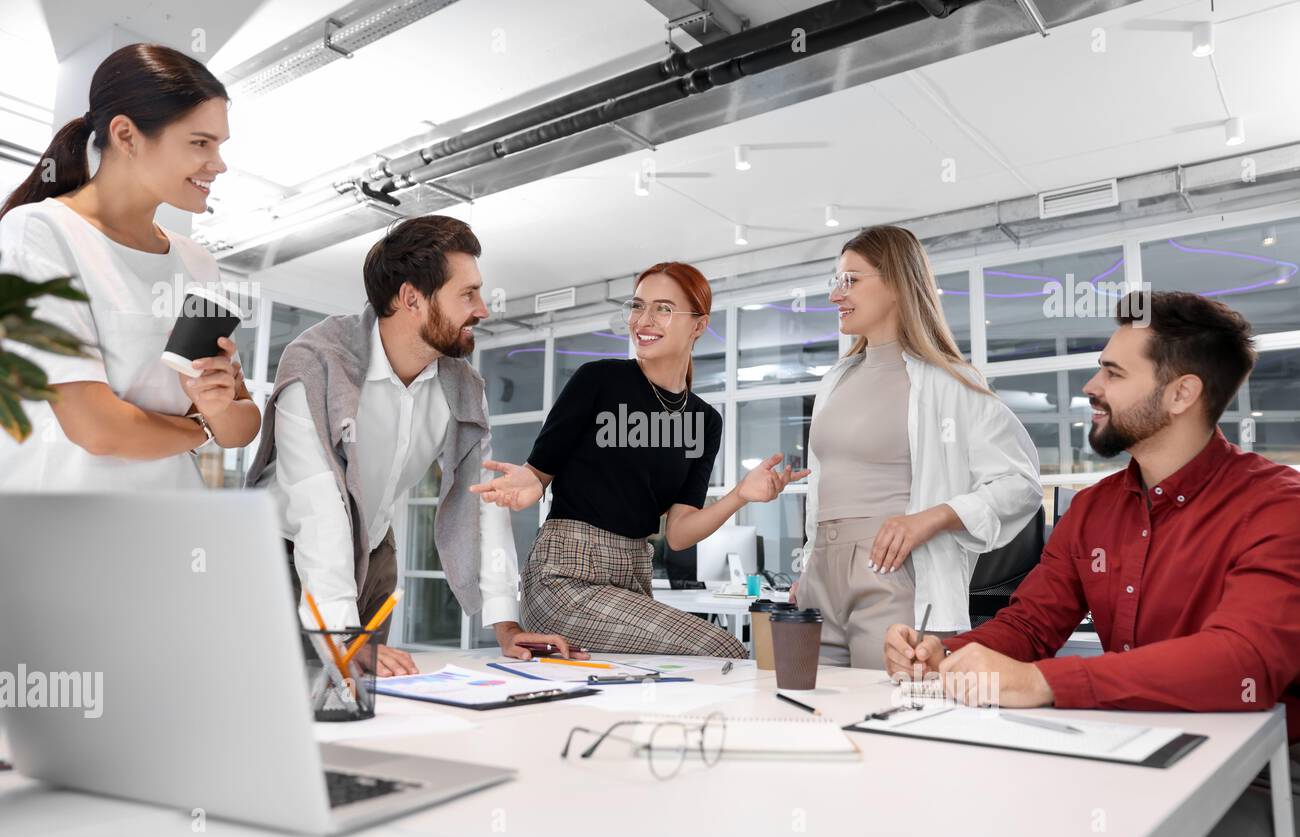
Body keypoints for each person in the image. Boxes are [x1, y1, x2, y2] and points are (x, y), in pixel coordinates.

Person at [884, 290, 1300, 837]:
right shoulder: (1093, 509)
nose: (1090, 387)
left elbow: (1242, 664)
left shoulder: (1278, 506)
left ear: (1182, 394)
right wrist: (947, 651)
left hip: (1258, 768)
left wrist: (1046, 683)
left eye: (1112, 372)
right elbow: (1030, 625)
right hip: (1122, 749)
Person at [245, 215, 577, 676]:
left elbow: (484, 498)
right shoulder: (319, 363)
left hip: (374, 556)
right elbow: (319, 505)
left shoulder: (462, 386)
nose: (483, 308)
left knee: (363, 711)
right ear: (410, 298)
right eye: (467, 293)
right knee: (276, 706)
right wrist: (342, 635)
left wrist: (506, 622)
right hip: (279, 552)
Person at [471, 262, 806, 657]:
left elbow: (679, 534)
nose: (643, 321)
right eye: (637, 306)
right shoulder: (599, 380)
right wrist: (528, 482)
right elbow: (538, 471)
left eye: (663, 308)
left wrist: (741, 495)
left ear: (698, 325)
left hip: (633, 577)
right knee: (721, 646)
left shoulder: (704, 421)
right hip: (564, 579)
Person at [0, 43, 258, 489]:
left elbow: (241, 425)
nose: (218, 164)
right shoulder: (39, 233)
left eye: (220, 145)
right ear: (126, 136)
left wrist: (217, 409)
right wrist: (203, 428)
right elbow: (97, 429)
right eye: (200, 142)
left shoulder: (197, 262)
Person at [792, 225, 1041, 668]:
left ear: (895, 284)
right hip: (819, 584)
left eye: (849, 280)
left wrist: (932, 518)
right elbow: (824, 493)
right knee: (815, 721)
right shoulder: (834, 381)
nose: (835, 296)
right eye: (835, 281)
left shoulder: (950, 382)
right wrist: (811, 567)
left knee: (887, 721)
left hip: (895, 577)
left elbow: (1020, 484)